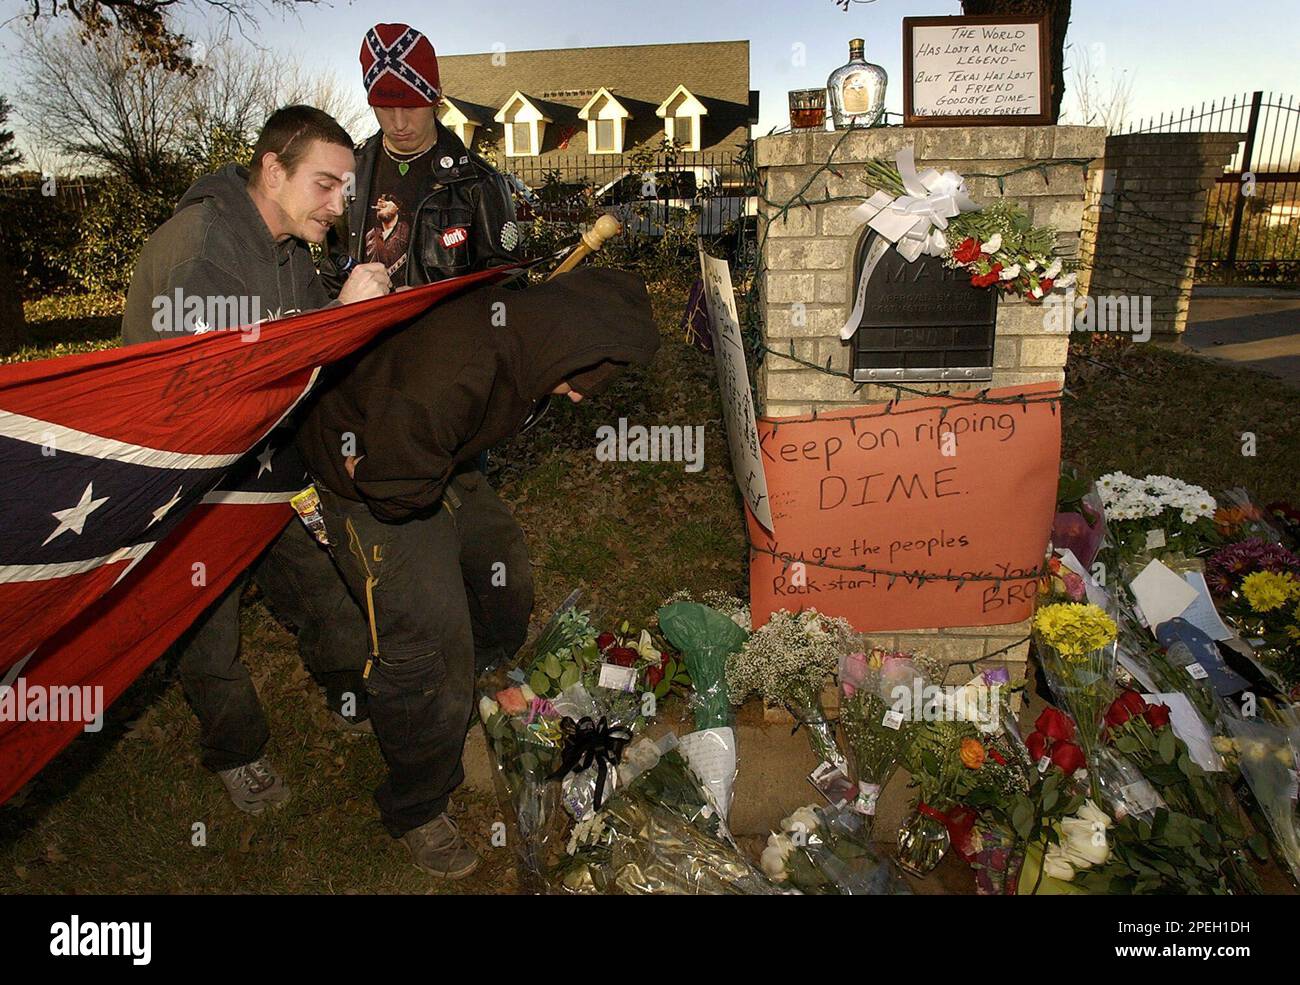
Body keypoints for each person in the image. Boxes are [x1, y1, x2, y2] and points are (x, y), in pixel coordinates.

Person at [296, 266, 660, 878]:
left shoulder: (528, 332)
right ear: (568, 347)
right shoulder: (459, 370)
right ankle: (417, 803)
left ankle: (475, 678)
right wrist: (395, 480)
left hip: (429, 452)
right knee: (428, 643)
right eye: (578, 385)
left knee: (501, 565)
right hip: (372, 476)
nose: (574, 398)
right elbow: (392, 482)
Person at [121, 105, 392, 813]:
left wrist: (348, 315)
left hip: (263, 461)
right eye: (326, 184)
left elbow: (302, 355)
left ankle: (347, 685)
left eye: (346, 188)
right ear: (273, 171)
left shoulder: (290, 248)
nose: (341, 204)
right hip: (184, 481)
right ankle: (237, 749)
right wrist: (337, 321)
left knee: (322, 587)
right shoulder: (201, 249)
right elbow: (210, 389)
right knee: (208, 628)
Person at [320, 22, 522, 294]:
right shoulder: (350, 171)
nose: (399, 123)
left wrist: (434, 307)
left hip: (446, 336)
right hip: (367, 335)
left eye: (412, 106)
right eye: (385, 108)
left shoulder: (479, 183)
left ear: (435, 97)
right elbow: (333, 274)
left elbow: (510, 285)